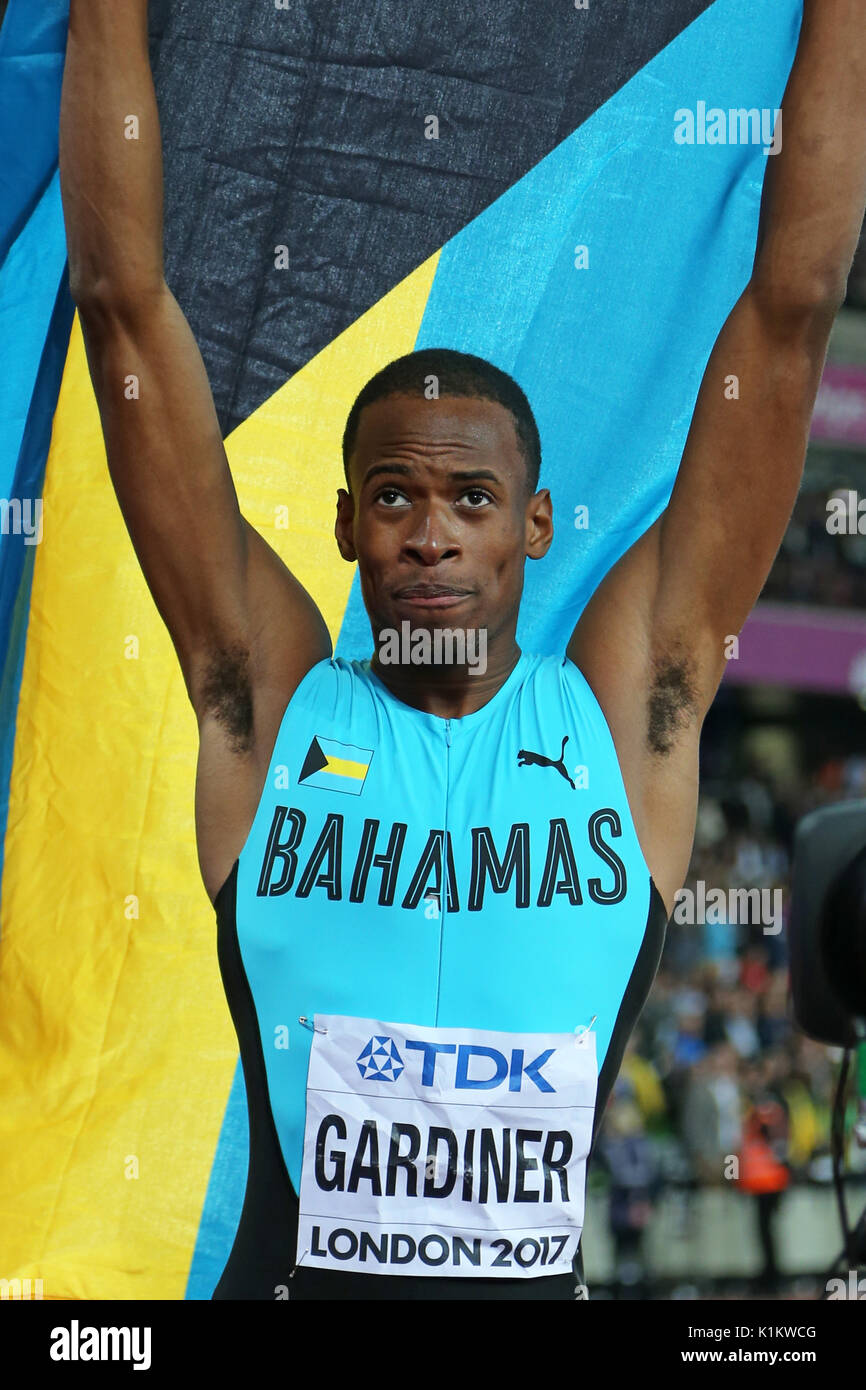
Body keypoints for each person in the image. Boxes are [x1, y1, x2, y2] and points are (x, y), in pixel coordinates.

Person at [58, 1, 866, 1300]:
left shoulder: (621, 713)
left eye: (469, 500)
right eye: (394, 496)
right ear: (345, 524)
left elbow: (790, 311)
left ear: (532, 523)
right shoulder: (262, 706)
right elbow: (123, 306)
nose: (430, 533)